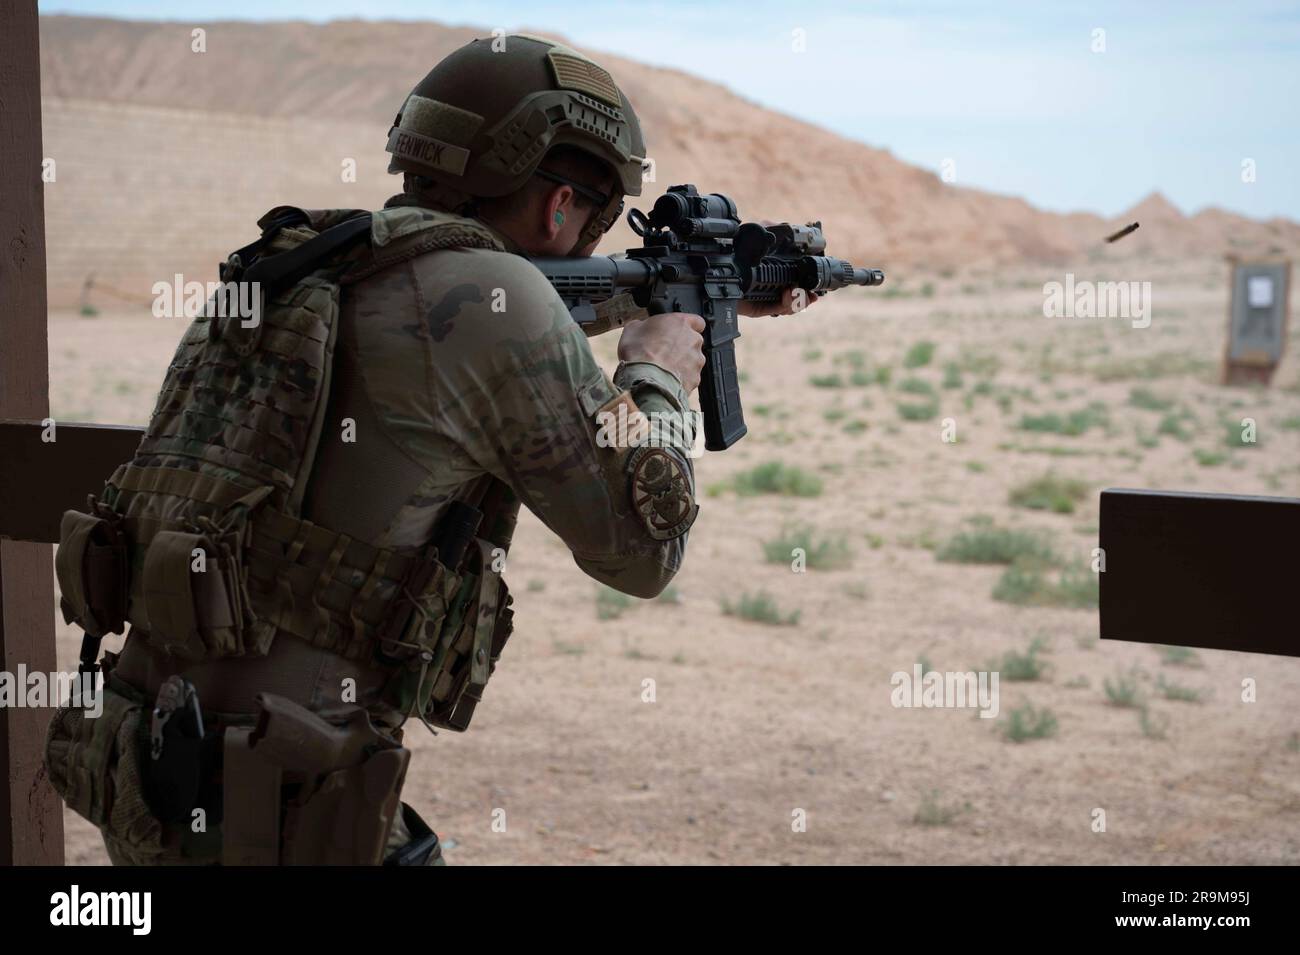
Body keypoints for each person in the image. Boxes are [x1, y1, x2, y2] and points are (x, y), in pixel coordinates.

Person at [45, 32, 801, 866]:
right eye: (594, 223)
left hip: (148, 768)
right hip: (281, 797)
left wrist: (667, 298)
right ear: (558, 207)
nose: (589, 243)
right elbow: (646, 551)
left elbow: (470, 333)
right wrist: (655, 373)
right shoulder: (495, 298)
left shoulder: (296, 264)